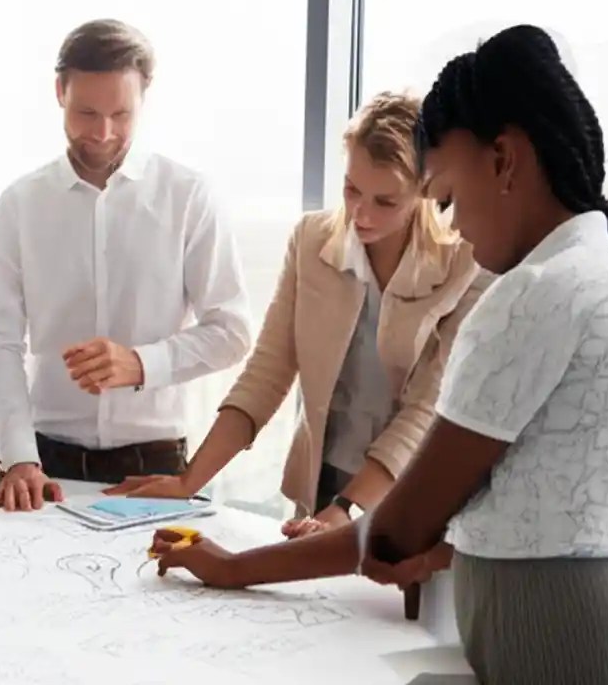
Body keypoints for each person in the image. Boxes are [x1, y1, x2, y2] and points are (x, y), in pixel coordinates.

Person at [149, 24, 608, 684]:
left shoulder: (534, 292)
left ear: (504, 160)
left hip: (568, 644)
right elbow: (524, 492)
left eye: (448, 197)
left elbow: (400, 527)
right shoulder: (598, 271)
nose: (453, 224)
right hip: (575, 633)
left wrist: (235, 567)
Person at [109, 92, 488, 539]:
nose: (361, 214)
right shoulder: (311, 241)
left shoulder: (468, 263)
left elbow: (426, 409)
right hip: (320, 485)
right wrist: (190, 481)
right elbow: (268, 372)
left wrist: (346, 510)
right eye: (352, 190)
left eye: (385, 201)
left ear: (425, 190)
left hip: (409, 492)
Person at [0, 19, 252, 511]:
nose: (103, 133)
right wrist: (18, 457)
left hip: (157, 465)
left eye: (121, 114)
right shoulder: (19, 204)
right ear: (59, 92)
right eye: (86, 112)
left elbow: (232, 331)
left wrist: (141, 363)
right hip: (44, 463)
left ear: (145, 97)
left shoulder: (189, 196)